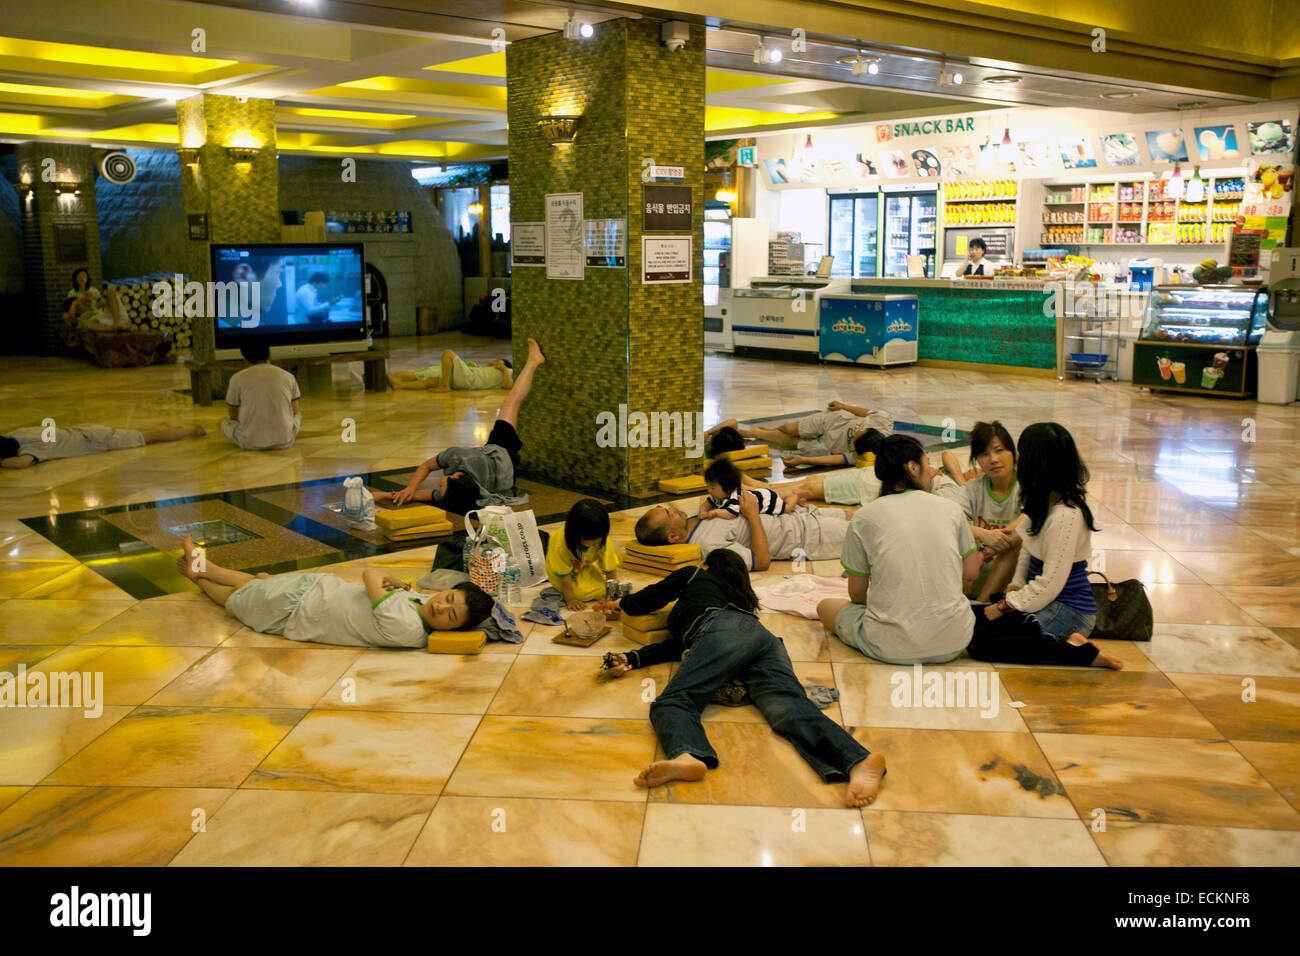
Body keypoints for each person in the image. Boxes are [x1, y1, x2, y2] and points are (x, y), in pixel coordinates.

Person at [603, 548, 887, 808]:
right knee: (787, 707)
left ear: (706, 566)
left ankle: (688, 753)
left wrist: (622, 603)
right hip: (762, 639)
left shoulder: (692, 574)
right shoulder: (734, 601)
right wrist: (634, 658)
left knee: (675, 701)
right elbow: (692, 645)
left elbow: (646, 600)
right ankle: (857, 759)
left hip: (723, 631)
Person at [817, 434, 983, 665]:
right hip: (955, 641)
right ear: (913, 468)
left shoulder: (865, 517)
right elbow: (972, 572)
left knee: (825, 607)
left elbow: (856, 593)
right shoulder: (951, 509)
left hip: (890, 646)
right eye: (928, 463)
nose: (932, 470)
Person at [972, 422, 1121, 669]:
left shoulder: (1067, 515)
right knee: (973, 621)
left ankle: (1079, 653)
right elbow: (1027, 550)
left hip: (1068, 611)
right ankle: (1070, 645)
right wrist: (1014, 588)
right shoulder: (1043, 498)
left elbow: (1051, 584)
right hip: (1041, 601)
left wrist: (1005, 605)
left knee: (981, 644)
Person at [176, 533, 493, 646]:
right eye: (448, 598)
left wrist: (392, 581)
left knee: (238, 597)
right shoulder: (423, 606)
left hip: (297, 611)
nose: (440, 607)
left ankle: (200, 577)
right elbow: (412, 593)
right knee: (259, 581)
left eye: (450, 616)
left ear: (451, 630)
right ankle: (202, 566)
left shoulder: (408, 627)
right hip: (314, 590)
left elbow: (370, 575)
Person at [373, 338, 545, 514]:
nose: (438, 487)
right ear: (455, 475)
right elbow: (427, 467)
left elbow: (429, 495)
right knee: (512, 401)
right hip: (502, 454)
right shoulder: (459, 456)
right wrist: (410, 488)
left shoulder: (467, 493)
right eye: (442, 484)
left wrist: (391, 494)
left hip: (503, 476)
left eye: (439, 488)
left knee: (512, 402)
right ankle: (533, 362)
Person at [634, 485, 849, 571]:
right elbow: (761, 562)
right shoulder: (710, 546)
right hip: (808, 536)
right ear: (672, 537)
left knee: (863, 516)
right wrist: (753, 516)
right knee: (873, 532)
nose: (673, 508)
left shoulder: (696, 517)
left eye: (666, 507)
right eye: (669, 513)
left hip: (800, 514)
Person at [944, 422, 1025, 602]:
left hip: (1013, 586)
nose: (993, 459)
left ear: (1012, 452)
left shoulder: (1027, 487)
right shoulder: (972, 488)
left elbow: (1017, 531)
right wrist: (982, 533)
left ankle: (979, 606)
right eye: (984, 454)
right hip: (973, 579)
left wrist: (984, 554)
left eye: (999, 450)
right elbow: (948, 522)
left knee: (1015, 543)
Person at [706, 400, 894, 469]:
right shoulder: (884, 420)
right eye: (858, 433)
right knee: (788, 429)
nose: (854, 435)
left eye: (854, 441)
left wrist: (804, 460)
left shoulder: (863, 455)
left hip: (828, 446)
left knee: (790, 443)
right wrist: (843, 406)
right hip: (833, 420)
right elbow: (865, 412)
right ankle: (754, 432)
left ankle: (754, 432)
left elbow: (836, 459)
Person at [1, 421, 205, 469]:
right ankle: (174, 429)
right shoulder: (17, 435)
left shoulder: (32, 448)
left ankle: (190, 431)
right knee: (141, 434)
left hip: (96, 440)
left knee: (148, 438)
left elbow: (21, 463)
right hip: (86, 431)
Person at [220, 341, 302, 450]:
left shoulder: (236, 378)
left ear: (245, 360)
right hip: (285, 440)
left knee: (223, 423)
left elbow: (233, 414)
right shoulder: (288, 376)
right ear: (270, 355)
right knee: (297, 417)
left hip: (249, 442)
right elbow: (295, 411)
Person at [546, 498, 620, 610]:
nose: (596, 543)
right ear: (576, 534)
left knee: (607, 587)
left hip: (583, 566)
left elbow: (611, 568)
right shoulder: (559, 544)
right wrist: (571, 599)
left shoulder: (601, 538)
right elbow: (564, 576)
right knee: (580, 594)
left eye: (599, 539)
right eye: (591, 540)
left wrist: (609, 596)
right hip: (561, 574)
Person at [701, 458, 788, 520]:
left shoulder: (735, 498)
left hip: (768, 500)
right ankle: (784, 496)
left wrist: (716, 512)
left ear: (728, 488)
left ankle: (795, 495)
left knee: (787, 508)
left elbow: (731, 514)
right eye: (707, 486)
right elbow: (707, 503)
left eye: (712, 488)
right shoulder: (718, 495)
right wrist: (703, 511)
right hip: (759, 493)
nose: (709, 490)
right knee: (780, 497)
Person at [387, 350, 513, 392]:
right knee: (431, 381)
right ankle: (399, 385)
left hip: (469, 379)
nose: (493, 362)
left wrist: (504, 369)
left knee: (447, 353)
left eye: (496, 361)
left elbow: (508, 386)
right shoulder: (490, 369)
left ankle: (445, 386)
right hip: (466, 379)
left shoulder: (507, 371)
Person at [62, 269, 127, 331]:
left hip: (113, 314)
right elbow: (69, 312)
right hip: (103, 319)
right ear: (75, 279)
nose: (81, 278)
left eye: (83, 276)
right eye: (79, 276)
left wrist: (96, 298)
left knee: (111, 290)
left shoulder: (94, 291)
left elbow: (106, 305)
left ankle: (117, 324)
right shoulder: (72, 293)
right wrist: (75, 303)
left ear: (87, 278)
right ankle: (117, 326)